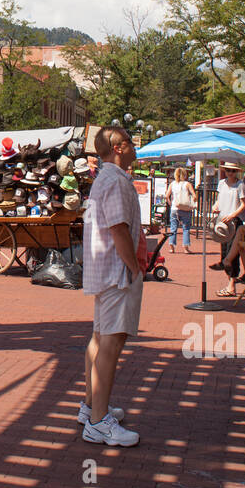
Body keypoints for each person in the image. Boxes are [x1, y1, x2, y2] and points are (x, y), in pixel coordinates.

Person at [80, 126, 145, 448]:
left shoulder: (103, 179)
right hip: (116, 272)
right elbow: (119, 228)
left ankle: (93, 407)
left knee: (99, 338)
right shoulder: (117, 181)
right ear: (119, 147)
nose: (135, 148)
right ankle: (97, 421)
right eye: (131, 143)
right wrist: (133, 267)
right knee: (111, 343)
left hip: (102, 270)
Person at [210, 162, 245, 298]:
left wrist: (233, 215)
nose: (230, 173)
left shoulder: (240, 185)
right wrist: (215, 206)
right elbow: (218, 200)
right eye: (227, 170)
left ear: (236, 172)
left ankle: (231, 286)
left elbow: (243, 204)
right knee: (224, 253)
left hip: (234, 222)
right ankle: (230, 284)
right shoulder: (221, 183)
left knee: (231, 255)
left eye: (232, 171)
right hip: (223, 222)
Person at [167, 167, 195, 254]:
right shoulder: (187, 184)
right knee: (186, 228)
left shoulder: (172, 184)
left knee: (173, 228)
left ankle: (172, 247)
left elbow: (167, 196)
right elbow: (194, 196)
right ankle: (185, 247)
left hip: (175, 208)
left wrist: (171, 203)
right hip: (185, 208)